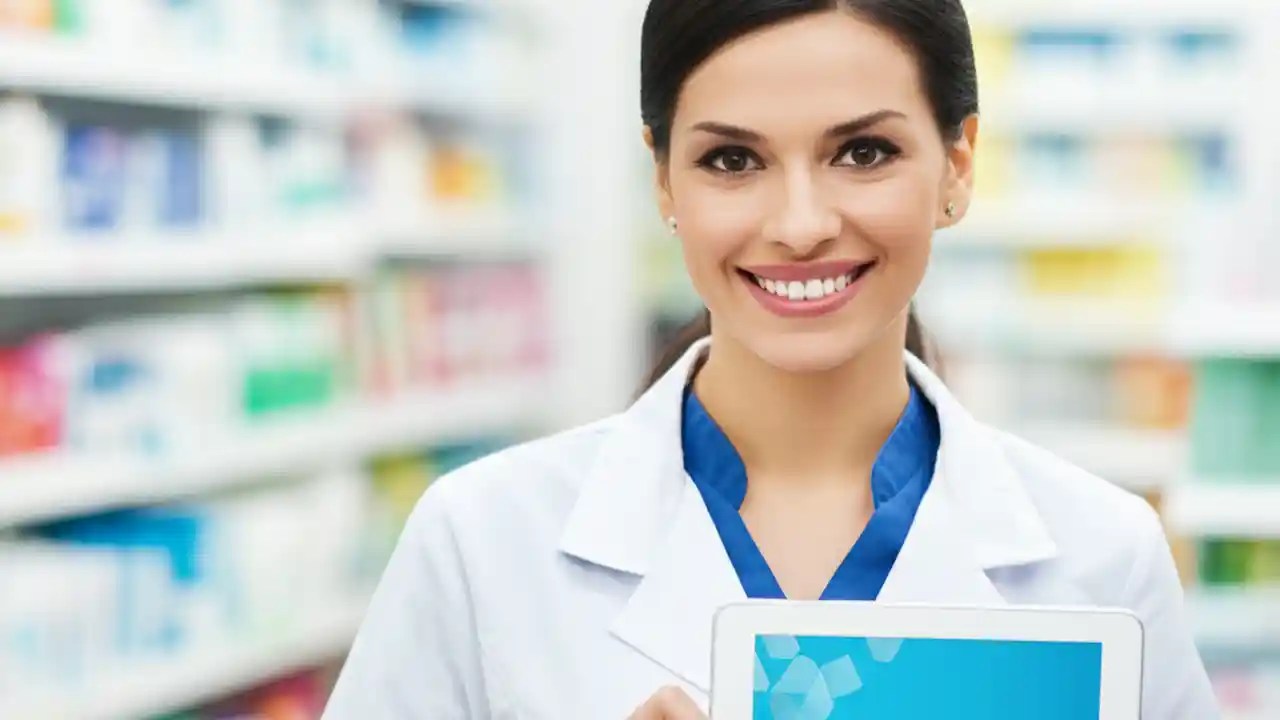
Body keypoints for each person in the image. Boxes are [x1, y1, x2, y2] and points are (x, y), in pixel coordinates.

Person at [323, 1, 1218, 718]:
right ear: (664, 180)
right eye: (731, 159)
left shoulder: (1103, 558)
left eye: (863, 152)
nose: (799, 225)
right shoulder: (482, 544)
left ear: (957, 165)